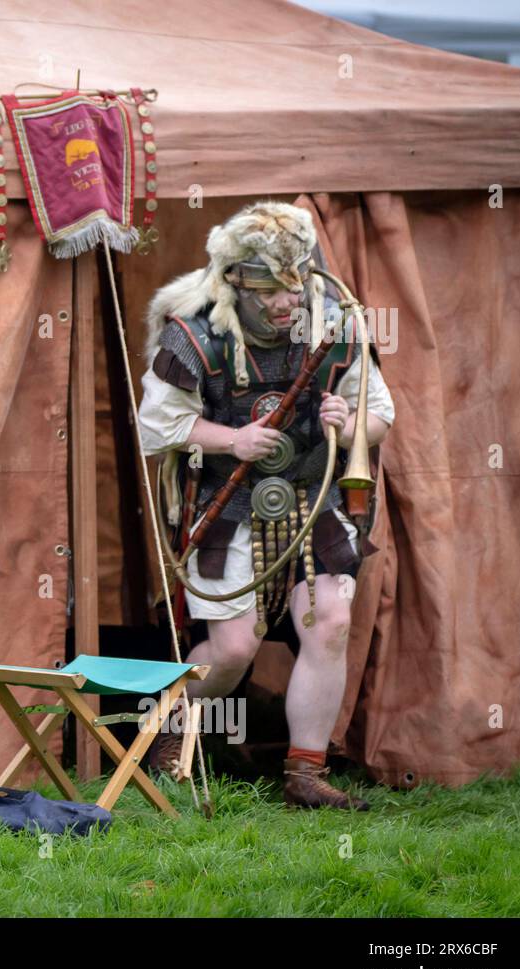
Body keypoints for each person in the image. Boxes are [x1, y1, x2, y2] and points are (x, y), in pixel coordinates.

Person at [137, 202, 393, 810]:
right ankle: (173, 732)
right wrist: (232, 440)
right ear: (236, 283)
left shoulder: (338, 326)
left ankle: (305, 774)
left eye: (294, 287)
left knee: (329, 623)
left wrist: (349, 424)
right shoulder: (195, 332)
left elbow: (380, 415)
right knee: (232, 650)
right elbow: (156, 426)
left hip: (315, 497)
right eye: (271, 292)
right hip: (228, 505)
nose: (286, 304)